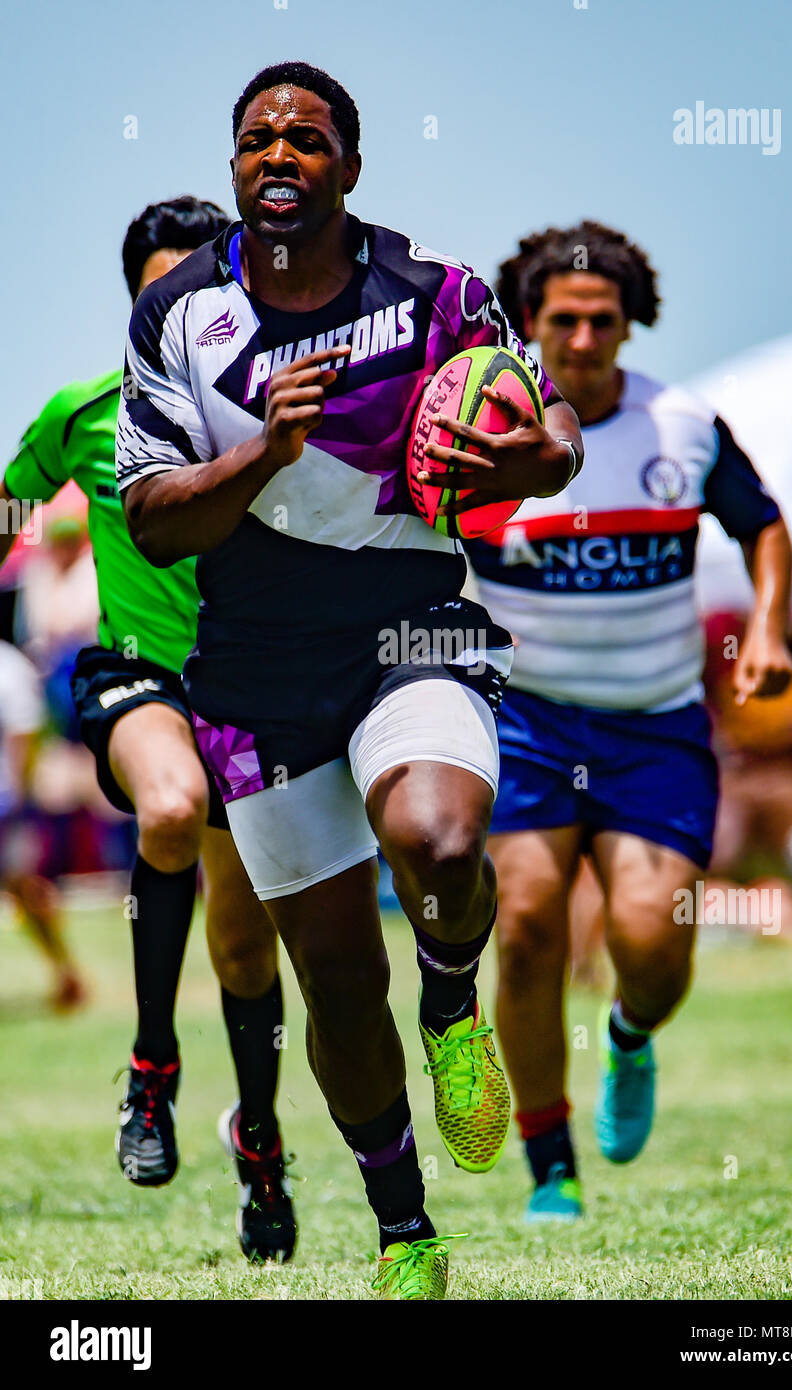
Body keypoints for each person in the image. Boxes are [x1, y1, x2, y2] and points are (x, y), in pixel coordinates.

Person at [117, 62, 582, 1299]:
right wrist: (267, 450)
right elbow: (155, 519)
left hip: (410, 627)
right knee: (330, 976)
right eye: (258, 139)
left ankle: (452, 1003)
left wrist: (527, 457)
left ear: (349, 168)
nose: (281, 157)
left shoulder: (434, 291)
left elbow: (549, 435)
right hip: (253, 675)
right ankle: (402, 1229)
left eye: (308, 141)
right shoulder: (179, 320)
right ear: (234, 167)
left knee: (437, 841)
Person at [463, 221, 792, 1221]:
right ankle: (549, 1162)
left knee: (653, 945)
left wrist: (770, 628)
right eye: (561, 319)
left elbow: (762, 521)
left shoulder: (681, 426)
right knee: (523, 928)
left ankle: (627, 1034)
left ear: (628, 325)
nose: (581, 338)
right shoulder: (477, 436)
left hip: (654, 727)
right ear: (528, 323)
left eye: (601, 320)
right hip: (525, 720)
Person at [1, 197, 293, 1263]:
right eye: (157, 293)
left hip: (254, 691)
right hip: (136, 678)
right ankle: (151, 1070)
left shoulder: (272, 409)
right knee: (168, 805)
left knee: (245, 948)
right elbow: (9, 502)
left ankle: (258, 1139)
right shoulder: (82, 411)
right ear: (133, 299)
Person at [0, 637, 87, 1009]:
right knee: (24, 888)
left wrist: (17, 801)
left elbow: (25, 735)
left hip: (6, 805)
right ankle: (66, 973)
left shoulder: (8, 666)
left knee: (25, 888)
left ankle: (66, 972)